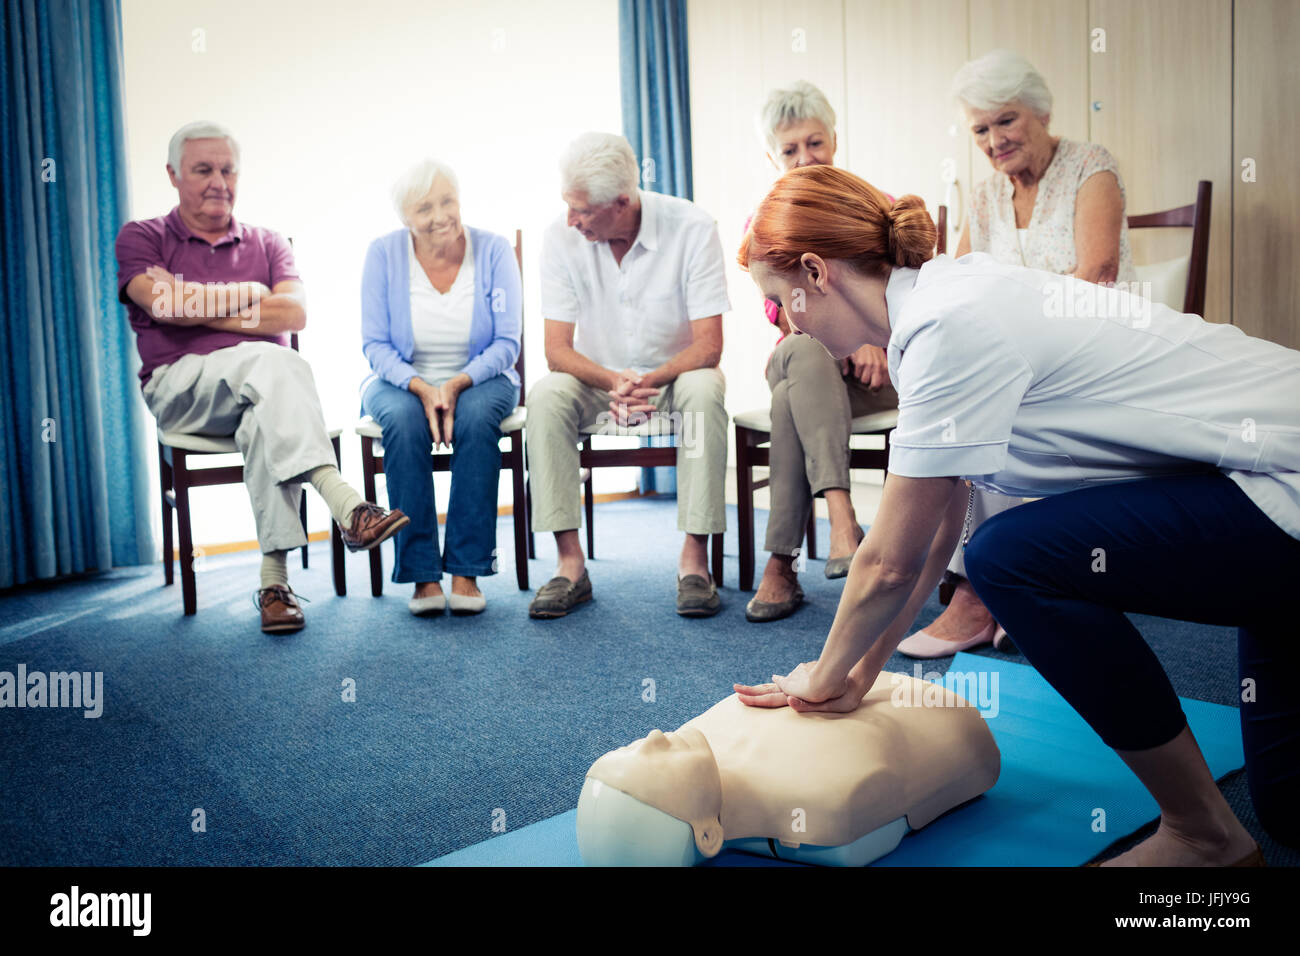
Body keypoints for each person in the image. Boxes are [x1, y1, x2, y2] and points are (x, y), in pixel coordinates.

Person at [733, 163, 1299, 864]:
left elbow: (888, 561)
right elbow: (937, 528)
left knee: (1010, 556)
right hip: (1257, 492)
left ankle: (1202, 834)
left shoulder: (949, 324)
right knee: (1291, 810)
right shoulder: (939, 311)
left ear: (816, 274)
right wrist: (858, 674)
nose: (778, 324)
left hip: (1282, 482)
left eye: (772, 303)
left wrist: (821, 674)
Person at [116, 121, 407, 633]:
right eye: (203, 169)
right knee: (276, 362)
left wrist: (191, 306)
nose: (218, 181)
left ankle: (274, 585)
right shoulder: (143, 237)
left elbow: (292, 317)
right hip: (181, 389)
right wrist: (251, 291)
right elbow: (160, 303)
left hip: (260, 395)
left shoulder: (269, 242)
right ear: (173, 174)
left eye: (227, 169)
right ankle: (346, 503)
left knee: (266, 408)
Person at [902, 48, 1140, 657]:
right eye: (980, 129)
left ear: (1039, 112)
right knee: (980, 399)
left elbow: (1098, 275)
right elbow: (950, 287)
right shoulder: (984, 200)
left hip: (1095, 348)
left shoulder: (1092, 168)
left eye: (1005, 120)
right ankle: (1014, 588)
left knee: (1005, 406)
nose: (994, 139)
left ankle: (980, 595)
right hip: (1021, 364)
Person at [528, 132, 731, 619]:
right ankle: (570, 566)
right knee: (547, 395)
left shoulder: (693, 228)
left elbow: (708, 345)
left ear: (622, 202)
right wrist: (613, 381)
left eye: (582, 211)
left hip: (674, 380)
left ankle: (695, 562)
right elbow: (556, 351)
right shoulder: (560, 236)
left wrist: (649, 380)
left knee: (706, 390)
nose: (572, 220)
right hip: (597, 383)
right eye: (567, 206)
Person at [745, 81, 899, 624]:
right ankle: (842, 519)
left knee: (789, 399)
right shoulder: (763, 227)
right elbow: (783, 313)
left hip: (878, 375)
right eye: (790, 150)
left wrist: (876, 340)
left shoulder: (875, 207)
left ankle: (780, 566)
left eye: (815, 142)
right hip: (809, 359)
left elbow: (909, 295)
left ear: (835, 139)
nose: (805, 158)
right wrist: (844, 338)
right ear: (772, 157)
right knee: (804, 351)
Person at [360, 159, 521, 616]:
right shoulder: (382, 254)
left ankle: (466, 570)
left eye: (447, 200)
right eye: (424, 207)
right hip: (400, 380)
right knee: (404, 422)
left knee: (475, 416)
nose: (440, 215)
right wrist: (422, 387)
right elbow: (374, 343)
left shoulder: (493, 251)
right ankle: (423, 575)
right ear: (404, 217)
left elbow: (508, 342)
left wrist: (454, 384)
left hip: (482, 378)